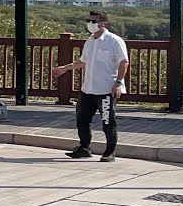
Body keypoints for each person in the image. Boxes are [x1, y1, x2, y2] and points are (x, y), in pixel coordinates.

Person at [50, 10, 128, 162]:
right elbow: (82, 61)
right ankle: (84, 148)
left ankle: (109, 152)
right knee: (82, 119)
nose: (90, 24)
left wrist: (118, 83)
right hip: (88, 89)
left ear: (102, 23)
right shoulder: (90, 41)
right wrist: (65, 68)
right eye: (89, 20)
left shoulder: (114, 41)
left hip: (106, 89)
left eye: (93, 21)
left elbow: (124, 62)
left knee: (107, 121)